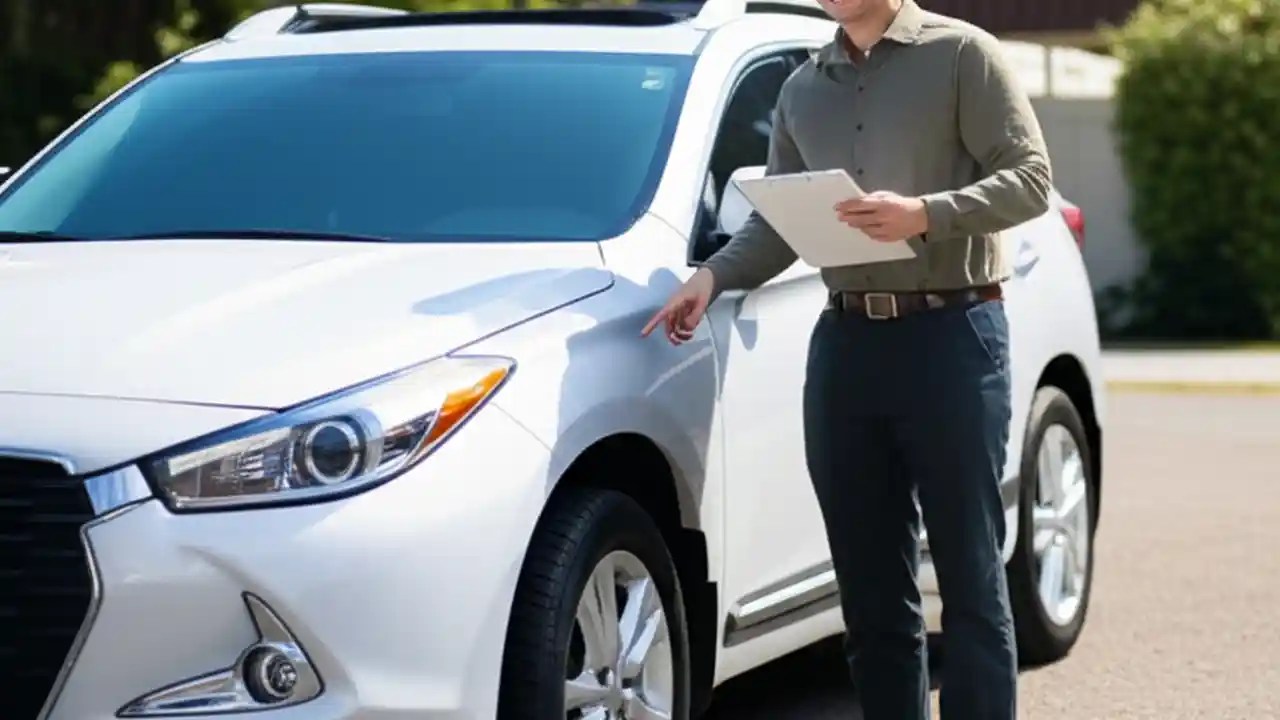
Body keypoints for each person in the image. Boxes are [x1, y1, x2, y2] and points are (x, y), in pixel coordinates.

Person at [642, 0, 1053, 718]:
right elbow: (776, 228)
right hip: (847, 349)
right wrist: (712, 279)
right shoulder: (803, 87)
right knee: (867, 591)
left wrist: (925, 214)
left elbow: (1030, 178)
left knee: (970, 579)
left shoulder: (964, 55)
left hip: (953, 335)